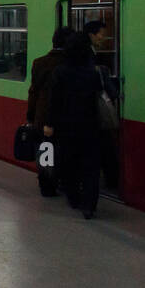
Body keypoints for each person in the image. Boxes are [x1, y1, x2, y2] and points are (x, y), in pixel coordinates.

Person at [47, 32, 103, 219]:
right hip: (90, 125)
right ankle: (89, 205)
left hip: (66, 126)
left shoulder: (60, 72)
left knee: (69, 163)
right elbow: (98, 97)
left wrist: (50, 123)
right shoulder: (93, 74)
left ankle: (74, 197)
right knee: (91, 167)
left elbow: (54, 101)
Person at [26, 27, 69, 197]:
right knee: (65, 150)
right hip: (66, 117)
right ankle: (66, 182)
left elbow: (33, 92)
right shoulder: (70, 64)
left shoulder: (39, 62)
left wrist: (30, 115)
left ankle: (47, 185)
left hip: (43, 115)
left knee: (46, 151)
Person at [83, 19, 120, 189]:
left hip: (91, 113)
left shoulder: (89, 54)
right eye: (101, 35)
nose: (103, 38)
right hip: (94, 112)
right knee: (105, 146)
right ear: (91, 35)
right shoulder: (87, 55)